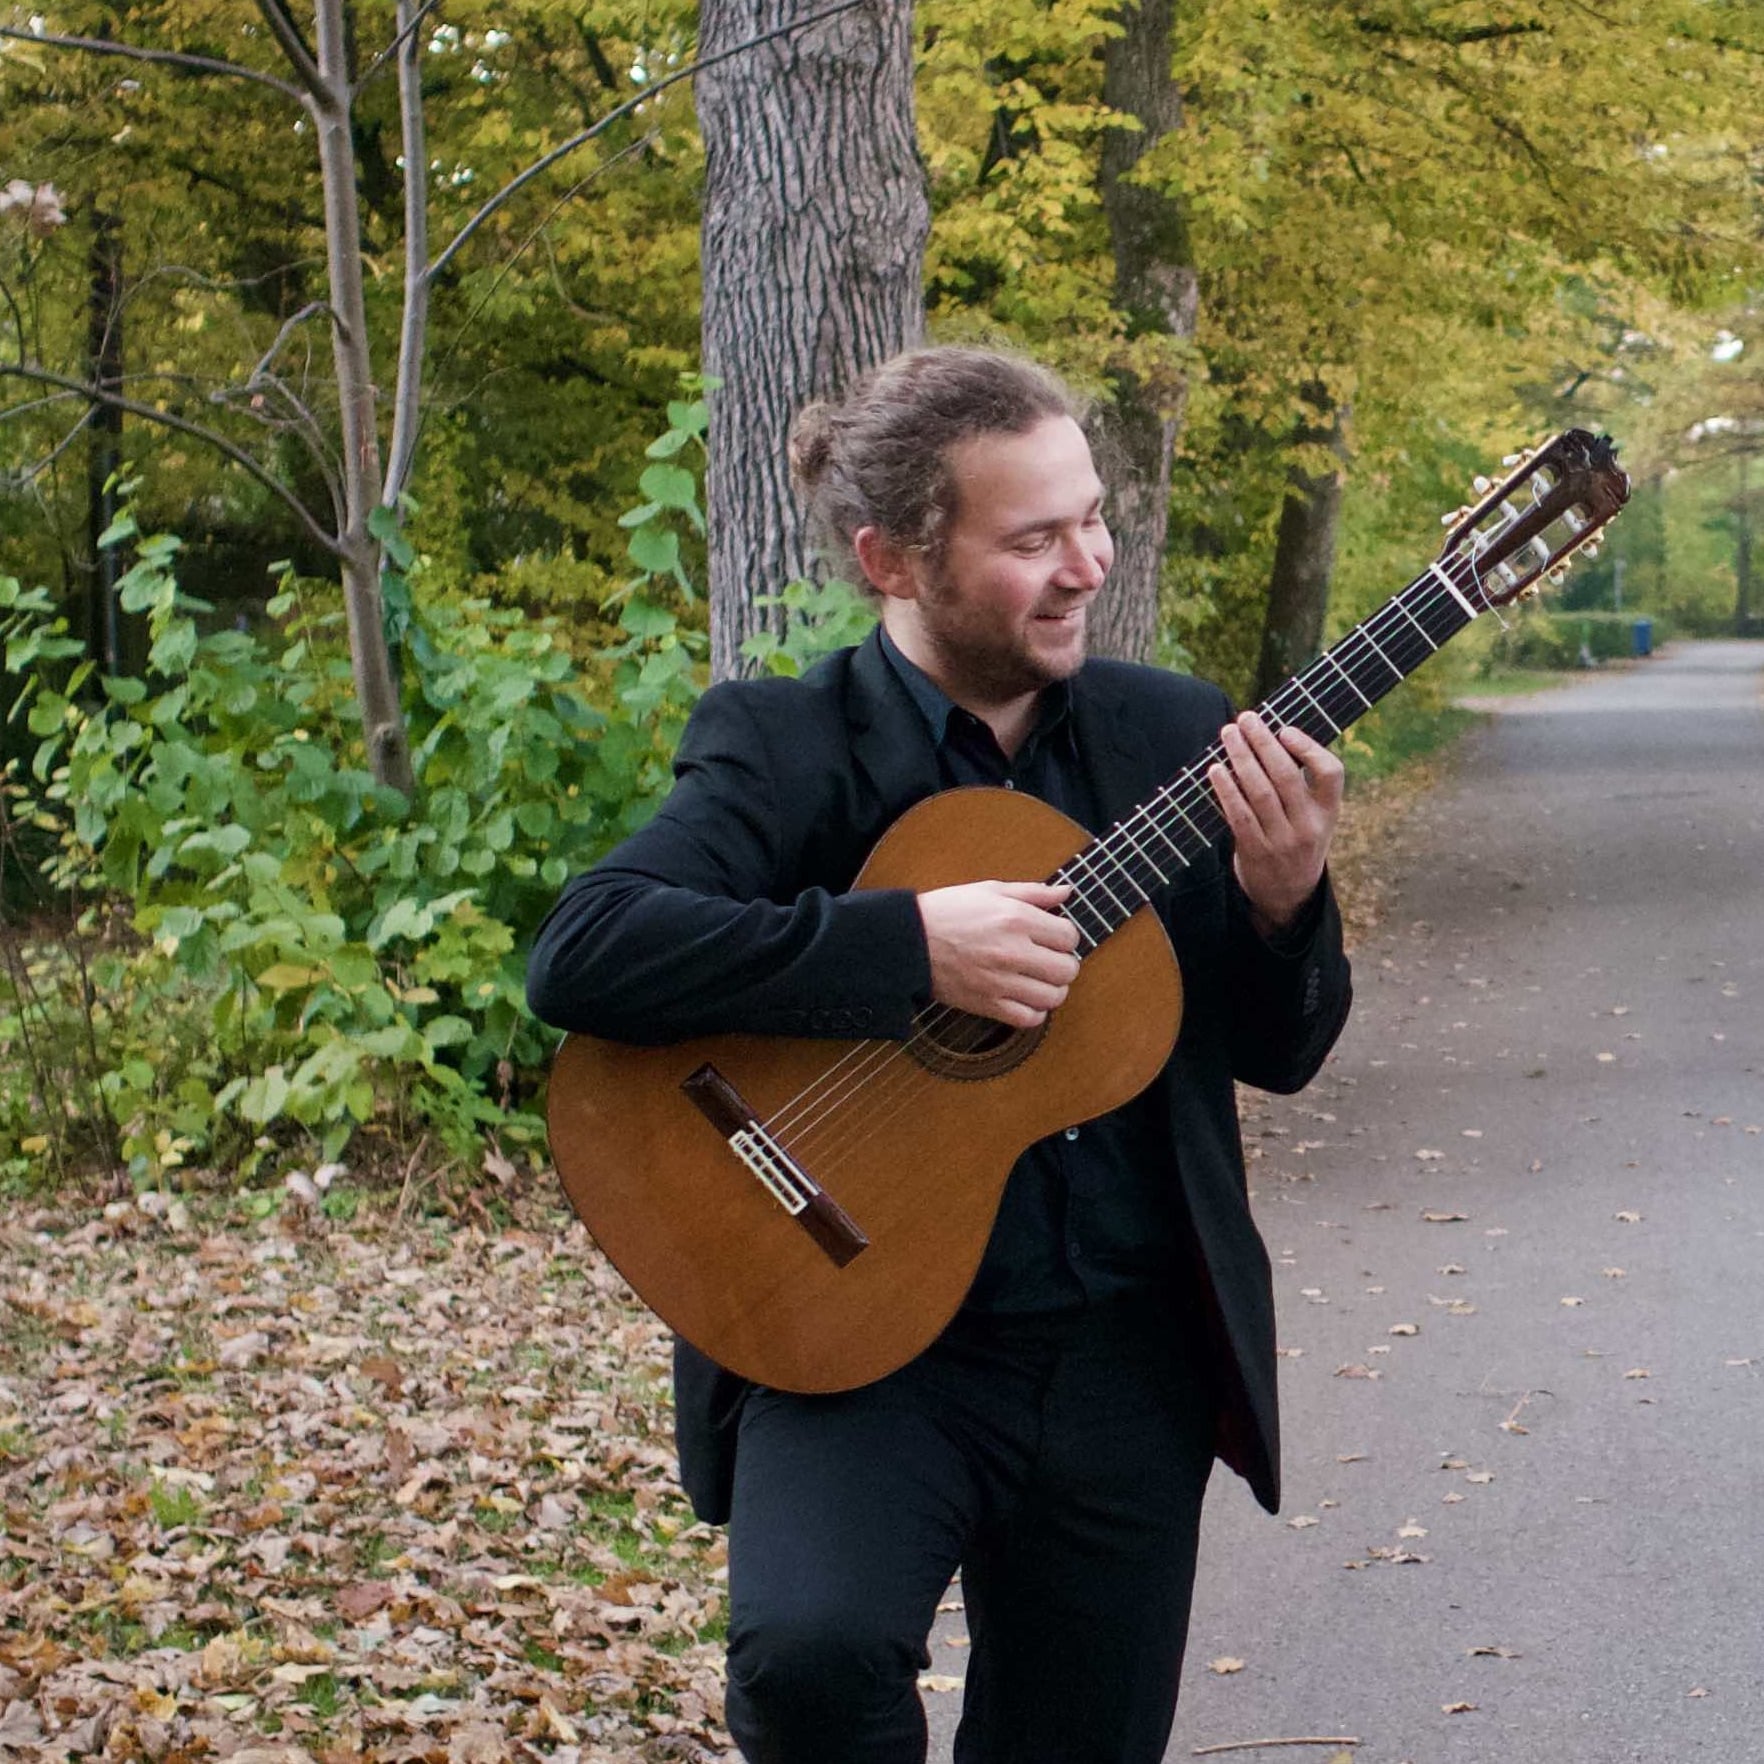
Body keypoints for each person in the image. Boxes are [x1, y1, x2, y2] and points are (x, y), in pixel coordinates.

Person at [526, 345, 1353, 1764]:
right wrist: (904, 950)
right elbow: (585, 951)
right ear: (893, 559)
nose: (1087, 563)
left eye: (1093, 519)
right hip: (852, 1328)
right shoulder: (785, 748)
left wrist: (1285, 909)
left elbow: (1280, 1052)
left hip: (1124, 1352)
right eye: (1034, 539)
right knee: (808, 1661)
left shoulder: (1175, 734)